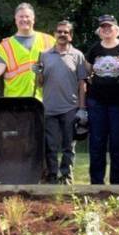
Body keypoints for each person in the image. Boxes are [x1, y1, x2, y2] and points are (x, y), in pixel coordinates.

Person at [84, 14, 119, 185]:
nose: (107, 30)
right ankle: (96, 182)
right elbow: (88, 72)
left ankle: (118, 182)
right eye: (103, 27)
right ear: (99, 30)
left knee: (118, 143)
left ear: (117, 29)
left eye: (110, 27)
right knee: (97, 142)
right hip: (97, 102)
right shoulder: (94, 49)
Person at [34, 21, 87, 185]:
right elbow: (39, 83)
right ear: (55, 34)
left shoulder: (78, 55)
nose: (62, 34)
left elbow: (82, 83)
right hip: (49, 107)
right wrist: (37, 73)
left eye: (66, 32)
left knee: (68, 147)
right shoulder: (44, 54)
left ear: (70, 36)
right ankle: (51, 177)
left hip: (70, 108)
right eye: (59, 32)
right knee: (50, 146)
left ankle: (66, 177)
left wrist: (82, 108)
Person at [0, 3, 55, 98]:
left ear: (33, 19)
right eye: (21, 17)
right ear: (15, 20)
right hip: (15, 101)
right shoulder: (6, 45)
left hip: (43, 101)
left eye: (27, 16)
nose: (24, 19)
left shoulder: (49, 40)